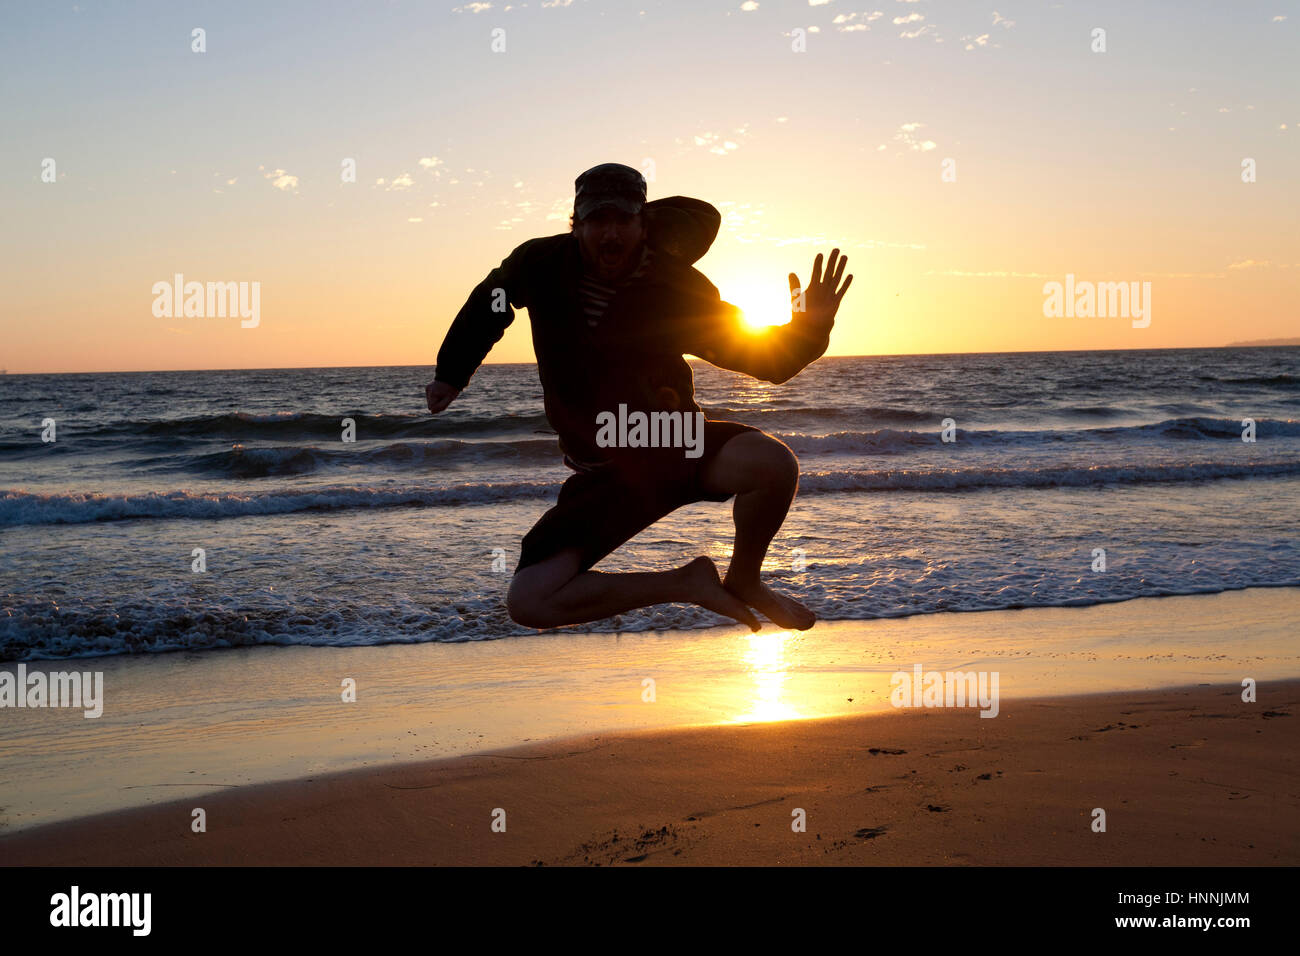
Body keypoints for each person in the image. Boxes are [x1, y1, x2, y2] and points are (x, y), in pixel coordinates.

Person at [426, 162, 851, 631]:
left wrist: (809, 330)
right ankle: (685, 582)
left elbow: (763, 358)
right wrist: (452, 372)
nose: (610, 234)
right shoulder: (540, 265)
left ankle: (745, 577)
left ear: (642, 223)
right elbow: (491, 301)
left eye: (622, 220)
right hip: (607, 475)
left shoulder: (676, 289)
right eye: (596, 221)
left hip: (672, 442)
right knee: (529, 604)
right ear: (576, 225)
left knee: (775, 464)